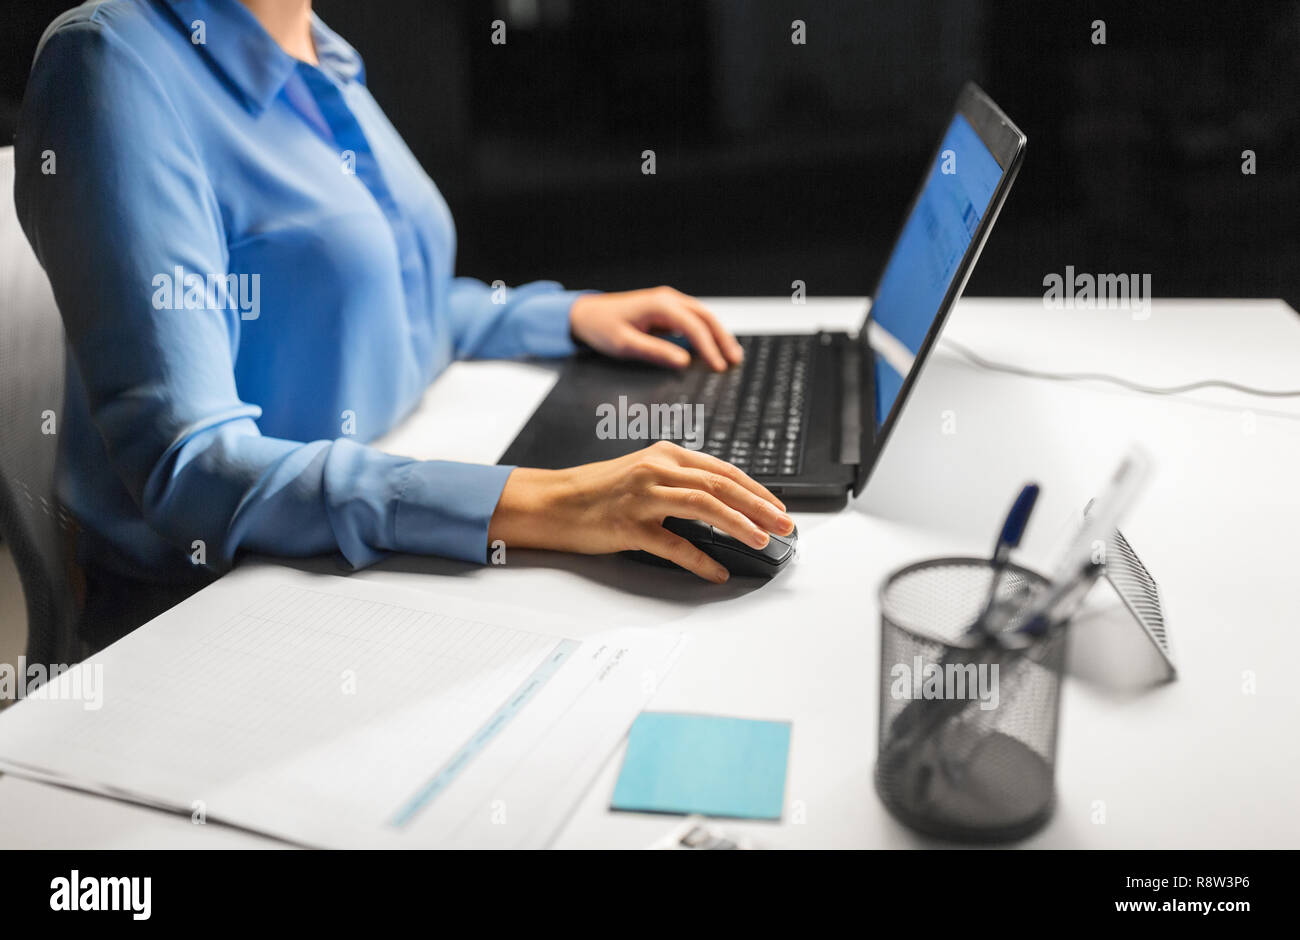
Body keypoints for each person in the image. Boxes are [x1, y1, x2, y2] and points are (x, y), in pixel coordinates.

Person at [14, 0, 795, 637]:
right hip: (216, 616)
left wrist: (566, 315)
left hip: (375, 539)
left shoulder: (324, 52)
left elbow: (400, 308)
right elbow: (190, 469)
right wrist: (553, 502)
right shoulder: (110, 63)